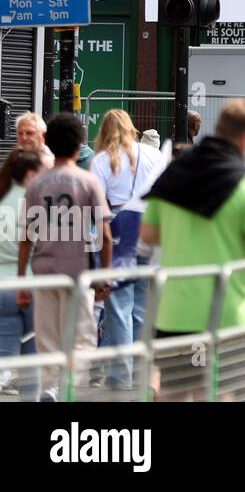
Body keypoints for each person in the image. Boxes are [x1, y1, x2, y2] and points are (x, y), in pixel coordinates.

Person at [140, 99, 245, 400]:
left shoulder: (175, 174)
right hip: (226, 312)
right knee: (218, 393)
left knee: (172, 392)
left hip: (174, 310)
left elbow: (148, 234)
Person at [16, 114, 113, 400]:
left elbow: (26, 238)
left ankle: (50, 387)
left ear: (49, 142)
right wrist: (103, 279)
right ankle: (62, 386)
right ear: (79, 145)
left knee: (46, 339)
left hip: (44, 270)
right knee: (82, 338)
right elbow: (105, 237)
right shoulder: (89, 182)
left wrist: (22, 281)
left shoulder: (35, 185)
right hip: (78, 273)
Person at [89, 109, 164, 391]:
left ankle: (120, 375)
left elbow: (97, 207)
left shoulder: (101, 160)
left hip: (119, 227)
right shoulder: (154, 156)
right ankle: (140, 372)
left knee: (118, 305)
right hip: (150, 227)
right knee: (143, 305)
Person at [0, 150, 44, 399]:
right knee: (32, 357)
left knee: (3, 354)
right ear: (30, 174)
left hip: (1, 288)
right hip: (32, 285)